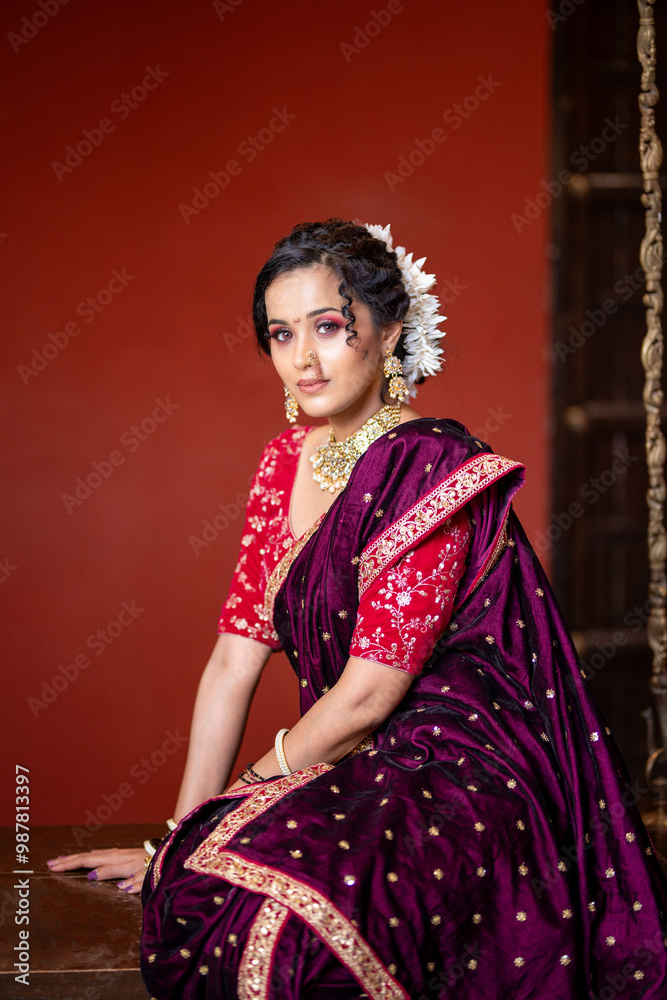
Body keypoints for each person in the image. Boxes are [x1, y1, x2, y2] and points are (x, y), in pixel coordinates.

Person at [49, 220, 667, 998]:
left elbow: (370, 695)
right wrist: (174, 841)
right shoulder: (282, 461)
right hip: (351, 760)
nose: (302, 358)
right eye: (280, 334)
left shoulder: (429, 463)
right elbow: (234, 657)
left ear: (391, 329)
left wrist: (240, 796)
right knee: (198, 887)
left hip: (465, 767)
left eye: (330, 327)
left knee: (296, 929)